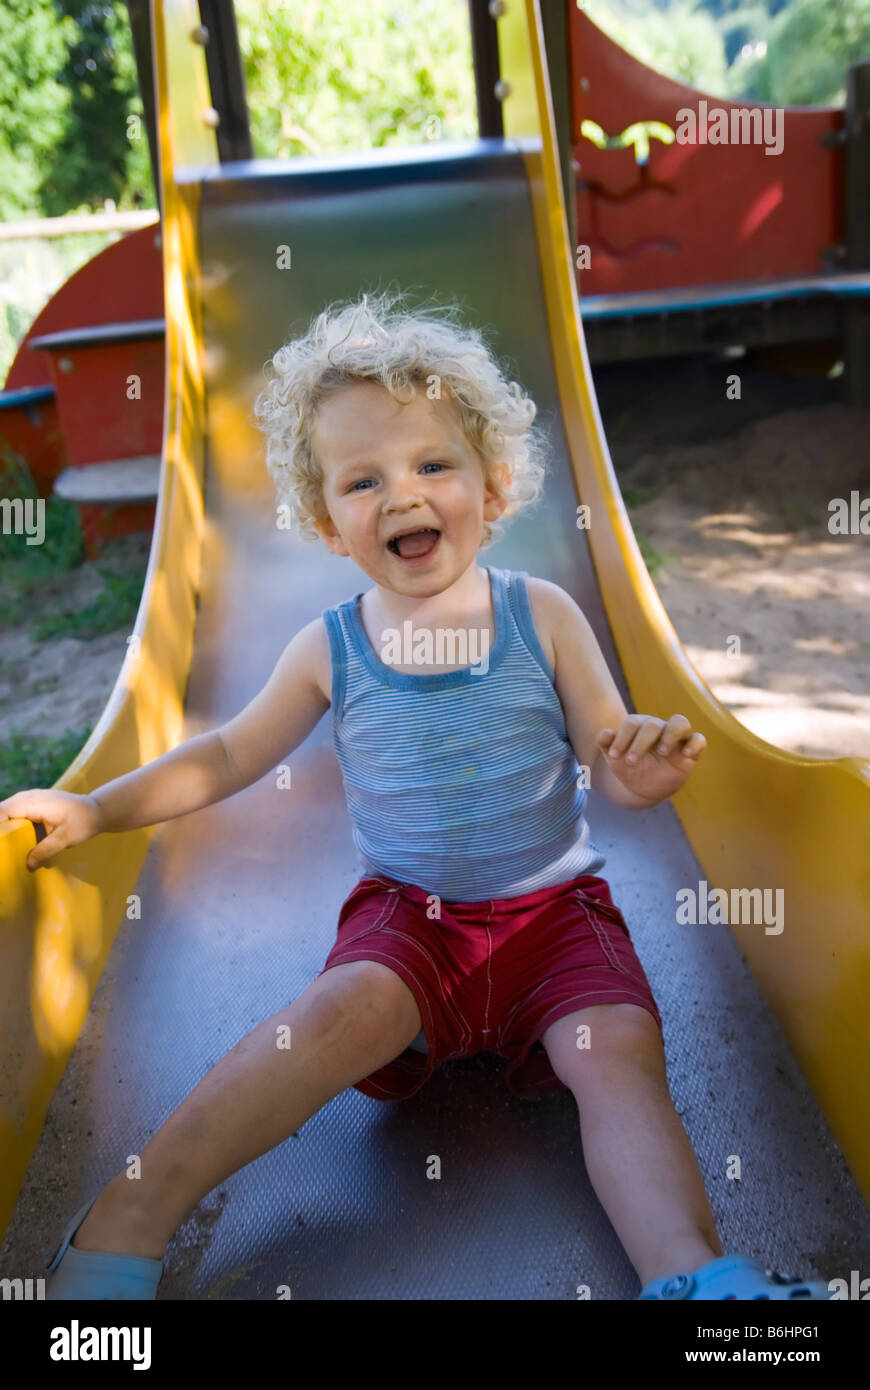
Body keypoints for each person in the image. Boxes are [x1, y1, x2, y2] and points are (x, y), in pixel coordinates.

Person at [2, 290, 830, 1302]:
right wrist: (98, 807)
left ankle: (693, 1278)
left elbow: (611, 758)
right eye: (363, 479)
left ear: (493, 485)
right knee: (334, 1013)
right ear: (326, 522)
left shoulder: (547, 616)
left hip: (558, 920)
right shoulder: (331, 648)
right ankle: (127, 1219)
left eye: (433, 464)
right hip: (414, 924)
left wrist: (636, 773)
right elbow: (223, 757)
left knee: (617, 1050)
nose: (403, 495)